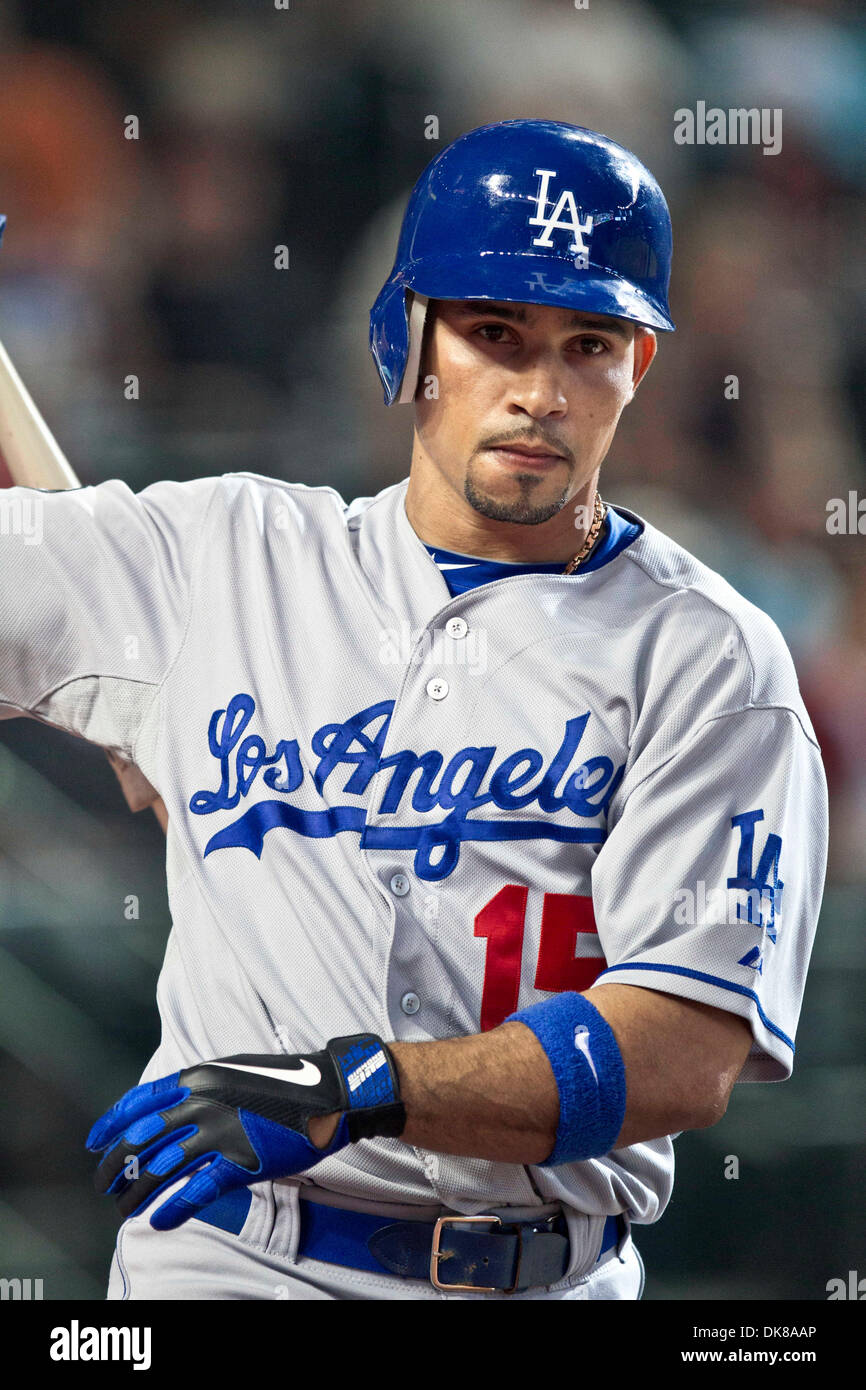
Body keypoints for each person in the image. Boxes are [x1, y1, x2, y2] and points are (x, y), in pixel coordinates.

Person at [0, 120, 828, 1300]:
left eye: (586, 343)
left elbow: (684, 1051)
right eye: (494, 333)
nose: (539, 391)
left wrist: (362, 1087)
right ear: (407, 337)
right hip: (233, 1260)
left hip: (549, 1277)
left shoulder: (709, 661)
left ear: (635, 367)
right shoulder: (217, 558)